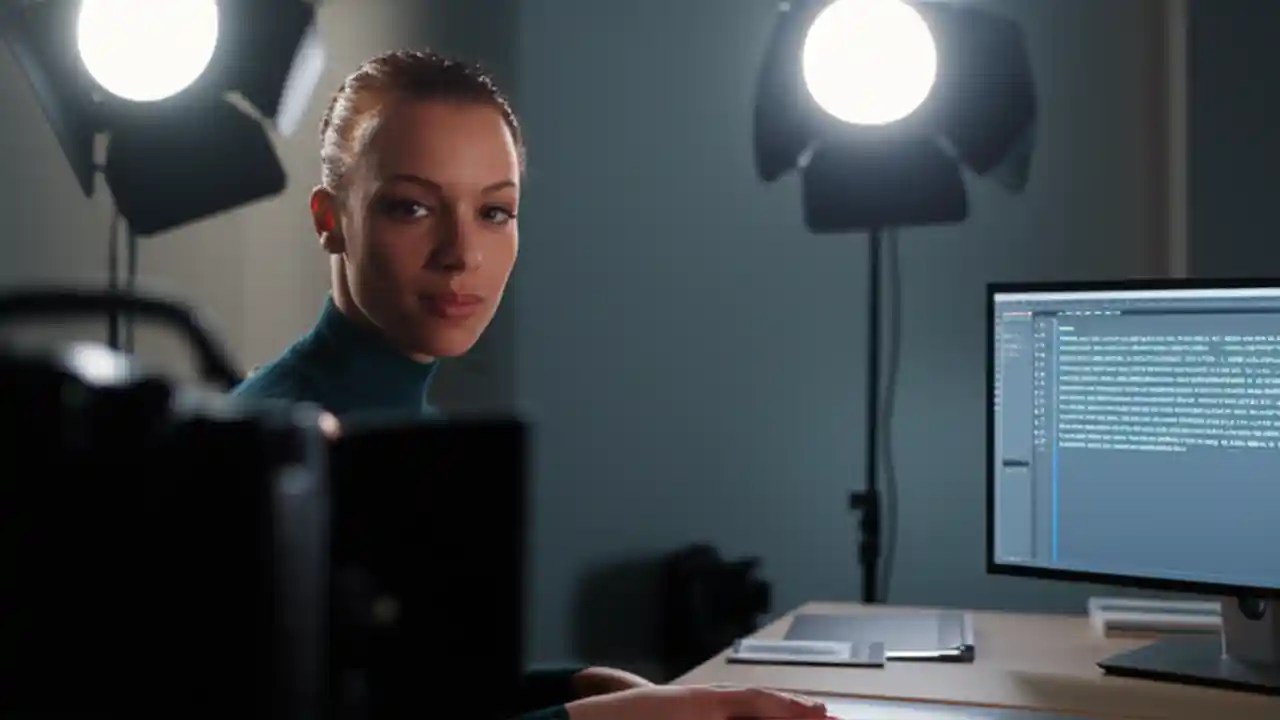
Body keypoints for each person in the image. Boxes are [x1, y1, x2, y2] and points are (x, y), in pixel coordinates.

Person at [231, 50, 828, 720]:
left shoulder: (389, 428)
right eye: (412, 207)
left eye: (494, 212)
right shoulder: (286, 447)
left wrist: (574, 685)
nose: (462, 252)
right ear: (329, 219)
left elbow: (413, 691)